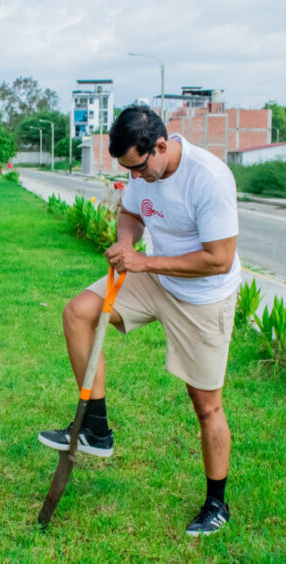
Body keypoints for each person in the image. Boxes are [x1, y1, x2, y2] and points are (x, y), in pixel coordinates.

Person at [38, 105, 241, 536]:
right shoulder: (142, 172)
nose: (135, 178)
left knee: (206, 406)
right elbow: (130, 213)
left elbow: (219, 260)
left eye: (139, 167)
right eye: (127, 170)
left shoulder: (210, 179)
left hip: (203, 296)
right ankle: (95, 429)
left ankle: (216, 503)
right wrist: (126, 242)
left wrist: (144, 262)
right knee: (77, 313)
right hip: (153, 278)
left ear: (161, 147)